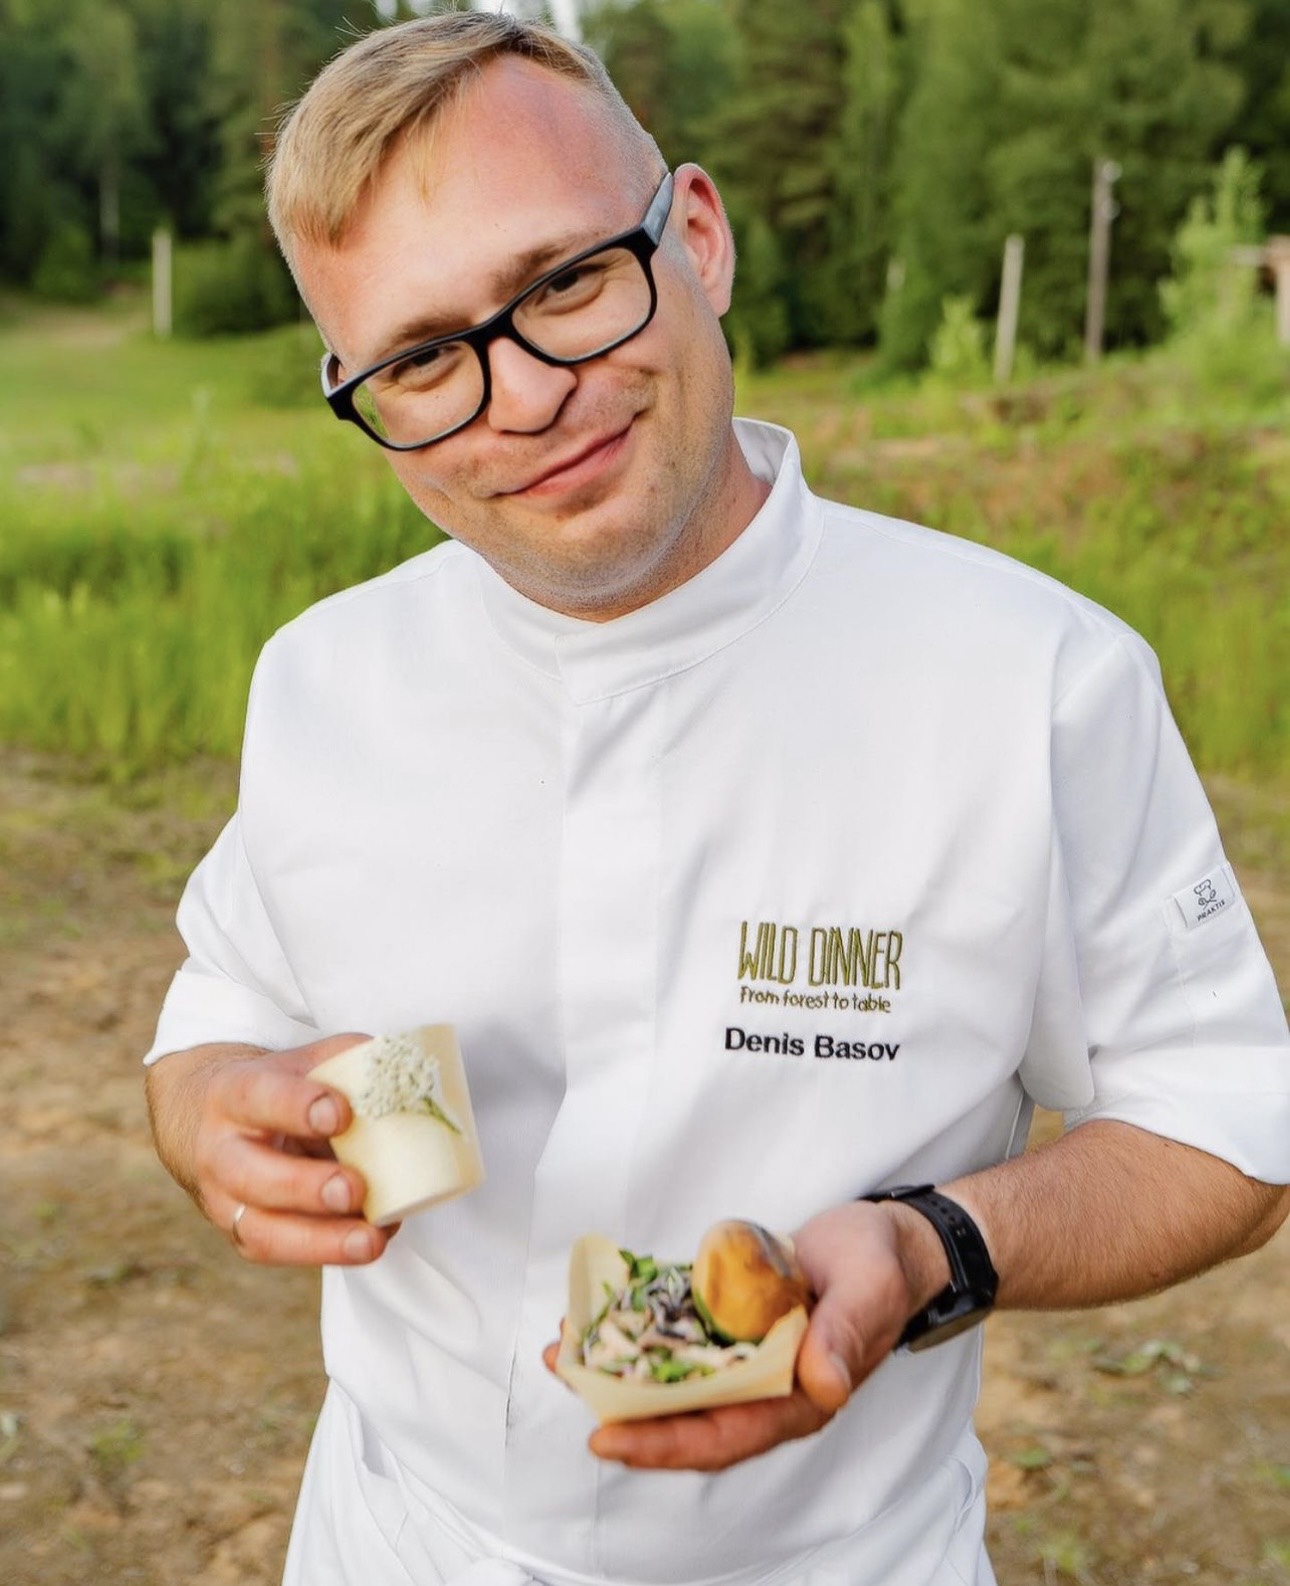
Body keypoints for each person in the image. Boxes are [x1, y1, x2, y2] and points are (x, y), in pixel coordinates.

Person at [143, 12, 1290, 1586]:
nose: (523, 398)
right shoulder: (320, 681)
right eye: (420, 358)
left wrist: (933, 1244)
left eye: (565, 284)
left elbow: (1225, 1125)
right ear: (358, 389)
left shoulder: (1030, 678)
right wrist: (207, 1114)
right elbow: (221, 999)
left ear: (693, 233)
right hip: (391, 1539)